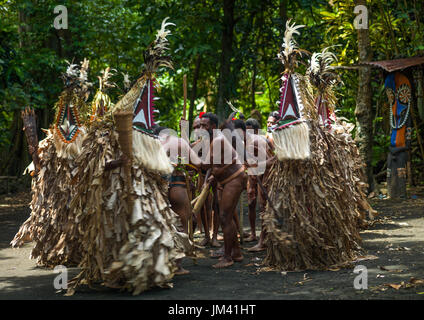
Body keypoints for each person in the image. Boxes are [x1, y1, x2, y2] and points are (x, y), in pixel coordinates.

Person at [200, 112, 246, 268]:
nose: (201, 128)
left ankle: (227, 257)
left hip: (234, 179)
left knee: (225, 216)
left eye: (204, 125)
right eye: (200, 125)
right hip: (227, 180)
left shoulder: (218, 140)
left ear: (213, 126)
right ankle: (236, 253)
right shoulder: (214, 140)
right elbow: (214, 167)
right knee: (227, 216)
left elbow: (208, 166)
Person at [155, 125, 202, 275]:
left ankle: (163, 263)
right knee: (182, 226)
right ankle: (177, 265)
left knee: (165, 226)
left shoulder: (154, 143)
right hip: (177, 187)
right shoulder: (178, 142)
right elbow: (198, 164)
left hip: (157, 191)